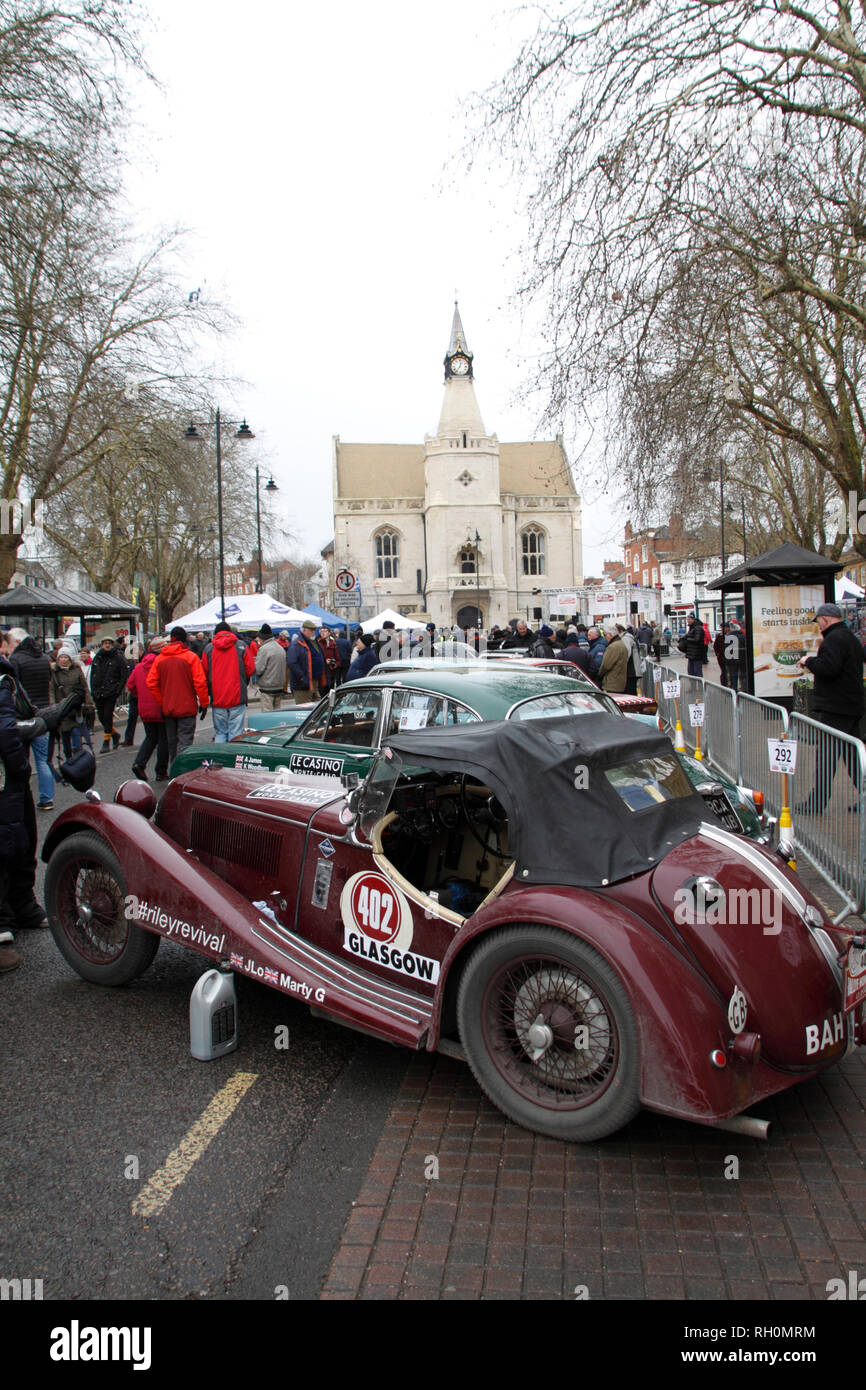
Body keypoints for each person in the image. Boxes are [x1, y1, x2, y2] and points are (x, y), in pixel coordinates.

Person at [0, 627, 48, 969]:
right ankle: (5, 925)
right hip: (6, 779)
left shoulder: (9, 675)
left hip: (10, 781)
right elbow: (5, 728)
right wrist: (18, 765)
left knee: (20, 840)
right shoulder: (3, 677)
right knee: (8, 845)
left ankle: (22, 909)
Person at [795, 603, 866, 814]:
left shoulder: (834, 639)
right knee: (852, 756)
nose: (819, 626)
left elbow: (829, 667)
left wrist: (809, 660)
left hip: (837, 707)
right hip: (850, 705)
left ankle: (817, 803)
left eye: (819, 622)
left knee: (826, 757)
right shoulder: (849, 637)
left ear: (826, 619)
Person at [7, 627, 56, 808]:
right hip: (42, 714)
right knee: (43, 759)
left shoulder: (16, 659)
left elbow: (14, 689)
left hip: (22, 716)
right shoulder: (44, 658)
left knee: (21, 759)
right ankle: (47, 798)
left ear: (18, 643)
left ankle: (23, 795)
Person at [146, 627, 208, 766]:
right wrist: (204, 703)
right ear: (185, 639)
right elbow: (200, 683)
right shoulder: (190, 657)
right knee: (185, 742)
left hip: (168, 707)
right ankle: (181, 770)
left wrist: (162, 702)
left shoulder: (160, 658)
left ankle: (174, 769)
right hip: (187, 706)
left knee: (172, 742)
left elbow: (151, 683)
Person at [202, 622, 255, 742]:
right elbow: (250, 668)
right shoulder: (241, 646)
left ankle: (220, 758)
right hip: (237, 696)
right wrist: (243, 680)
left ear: (216, 634)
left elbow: (204, 671)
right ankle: (231, 759)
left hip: (218, 697)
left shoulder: (209, 648)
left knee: (220, 733)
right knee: (235, 734)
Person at [127, 636, 169, 781]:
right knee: (164, 739)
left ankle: (139, 763)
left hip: (144, 707)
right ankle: (161, 771)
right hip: (161, 705)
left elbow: (130, 685)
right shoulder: (162, 664)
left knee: (151, 737)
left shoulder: (139, 667)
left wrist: (141, 695)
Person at [50, 649, 93, 759]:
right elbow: (51, 690)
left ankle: (78, 757)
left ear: (70, 659)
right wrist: (53, 707)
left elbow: (84, 687)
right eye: (61, 657)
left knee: (76, 733)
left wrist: (88, 703)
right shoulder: (54, 672)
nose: (63, 660)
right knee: (65, 735)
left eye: (66, 657)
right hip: (62, 708)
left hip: (76, 707)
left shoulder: (76, 669)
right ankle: (69, 758)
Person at [89, 635, 128, 754]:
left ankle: (106, 741)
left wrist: (118, 690)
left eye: (109, 643)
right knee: (101, 717)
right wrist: (93, 689)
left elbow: (123, 675)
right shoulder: (97, 657)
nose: (107, 645)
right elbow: (93, 674)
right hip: (98, 692)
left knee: (107, 715)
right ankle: (115, 734)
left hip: (111, 692)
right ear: (102, 645)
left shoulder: (118, 657)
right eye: (105, 643)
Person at [599, 624, 628, 692]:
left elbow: (605, 665)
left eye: (605, 635)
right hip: (619, 681)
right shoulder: (621, 644)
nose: (605, 638)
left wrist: (599, 674)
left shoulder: (613, 647)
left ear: (610, 635)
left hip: (612, 683)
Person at [316, 625, 340, 691]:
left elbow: (338, 660)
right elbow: (315, 659)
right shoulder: (317, 644)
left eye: (325, 631)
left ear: (329, 633)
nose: (323, 633)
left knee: (330, 694)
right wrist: (324, 662)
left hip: (331, 674)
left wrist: (334, 665)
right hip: (321, 674)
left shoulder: (333, 644)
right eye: (321, 631)